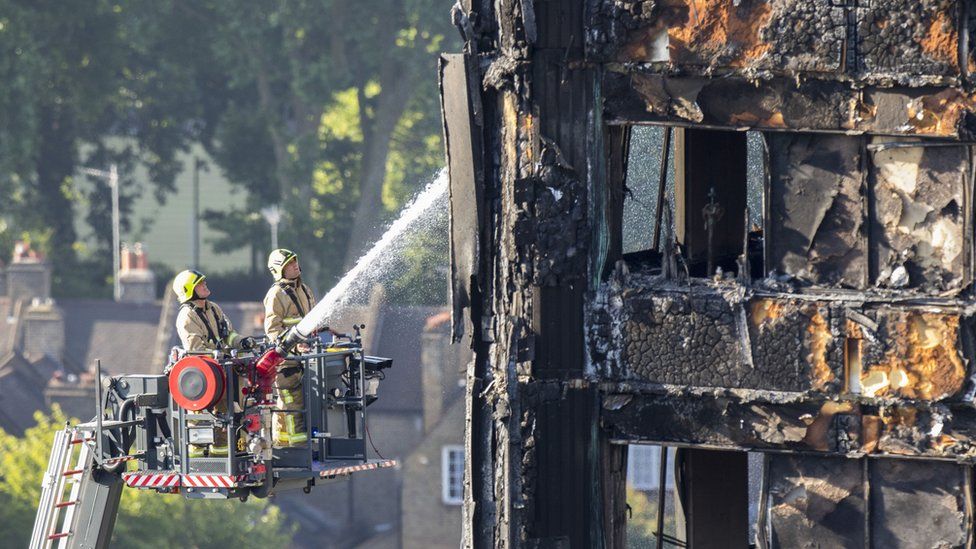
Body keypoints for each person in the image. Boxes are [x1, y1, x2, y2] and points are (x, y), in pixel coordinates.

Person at [172, 269, 255, 457]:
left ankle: (226, 451)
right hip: (202, 375)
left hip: (222, 368)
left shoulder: (214, 308)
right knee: (205, 416)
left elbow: (228, 334)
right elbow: (195, 348)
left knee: (228, 409)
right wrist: (216, 354)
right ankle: (202, 455)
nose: (205, 285)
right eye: (200, 284)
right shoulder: (186, 316)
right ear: (189, 290)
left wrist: (241, 341)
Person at [263, 249, 316, 447]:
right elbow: (273, 331)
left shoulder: (305, 289)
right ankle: (293, 448)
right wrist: (294, 349)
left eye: (295, 261)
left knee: (304, 404)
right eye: (289, 263)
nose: (295, 265)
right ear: (279, 270)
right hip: (287, 363)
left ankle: (292, 444)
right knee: (291, 406)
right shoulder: (276, 294)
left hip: (307, 359)